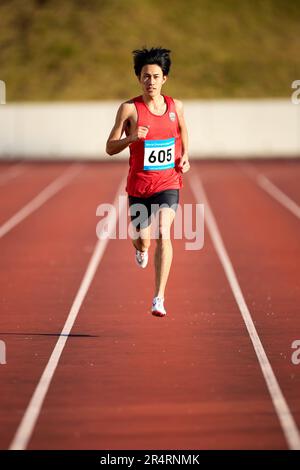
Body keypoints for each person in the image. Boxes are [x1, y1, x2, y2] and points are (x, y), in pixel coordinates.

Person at [106, 47, 190, 317]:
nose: (150, 82)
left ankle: (158, 298)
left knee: (164, 232)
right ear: (138, 78)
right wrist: (132, 138)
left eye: (155, 76)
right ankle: (140, 248)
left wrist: (186, 156)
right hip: (139, 187)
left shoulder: (176, 107)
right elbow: (109, 147)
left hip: (168, 183)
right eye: (145, 76)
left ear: (164, 78)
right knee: (143, 241)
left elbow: (183, 131)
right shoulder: (129, 109)